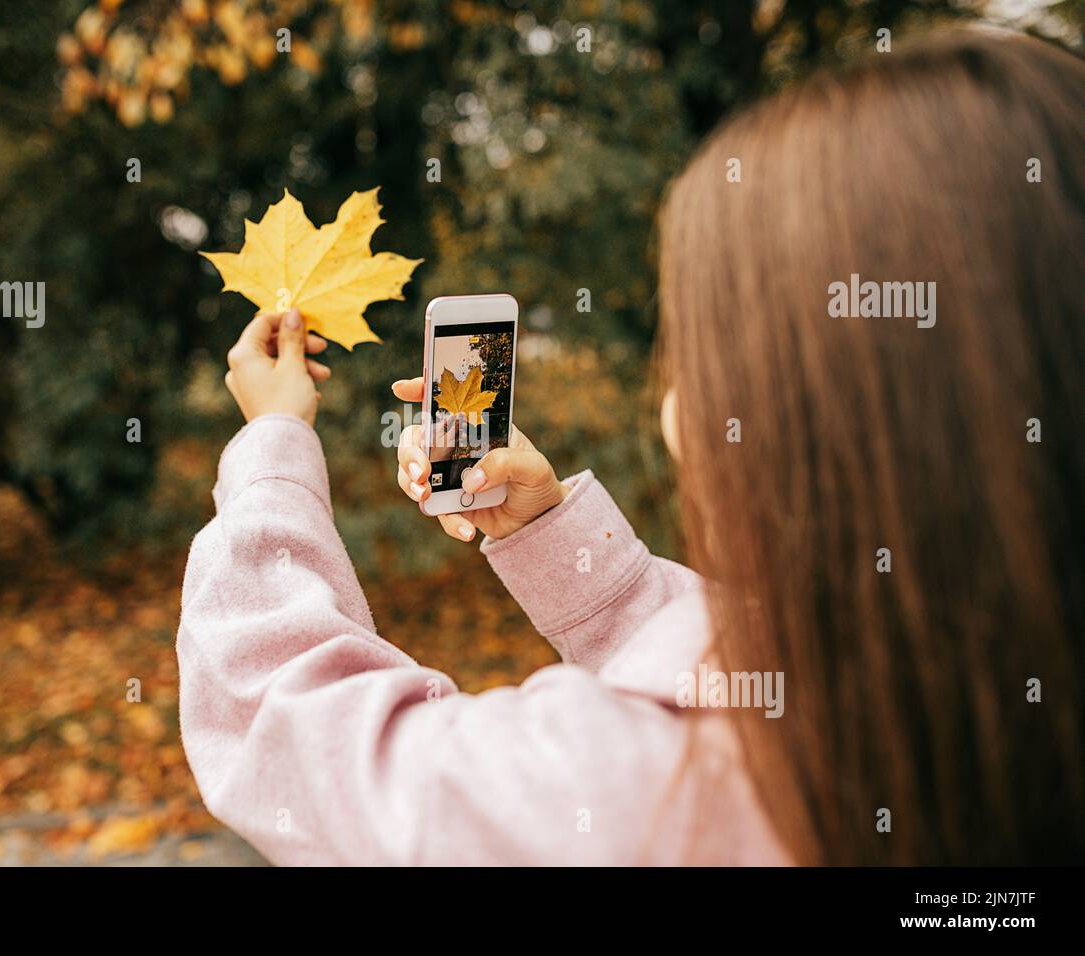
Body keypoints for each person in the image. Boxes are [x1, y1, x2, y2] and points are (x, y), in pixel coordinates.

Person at [177, 29, 1085, 865]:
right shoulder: (989, 699)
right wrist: (550, 538)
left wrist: (273, 442)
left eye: (702, 352)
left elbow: (291, 727)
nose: (679, 406)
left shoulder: (656, 793)